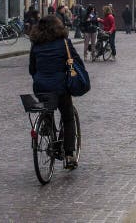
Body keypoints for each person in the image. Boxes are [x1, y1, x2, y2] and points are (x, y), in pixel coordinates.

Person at [28, 15, 84, 170]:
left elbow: (32, 69)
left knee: (47, 107)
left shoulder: (36, 45)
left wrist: (40, 78)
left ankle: (47, 124)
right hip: (60, 87)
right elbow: (76, 62)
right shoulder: (64, 43)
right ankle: (69, 154)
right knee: (67, 117)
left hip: (41, 87)